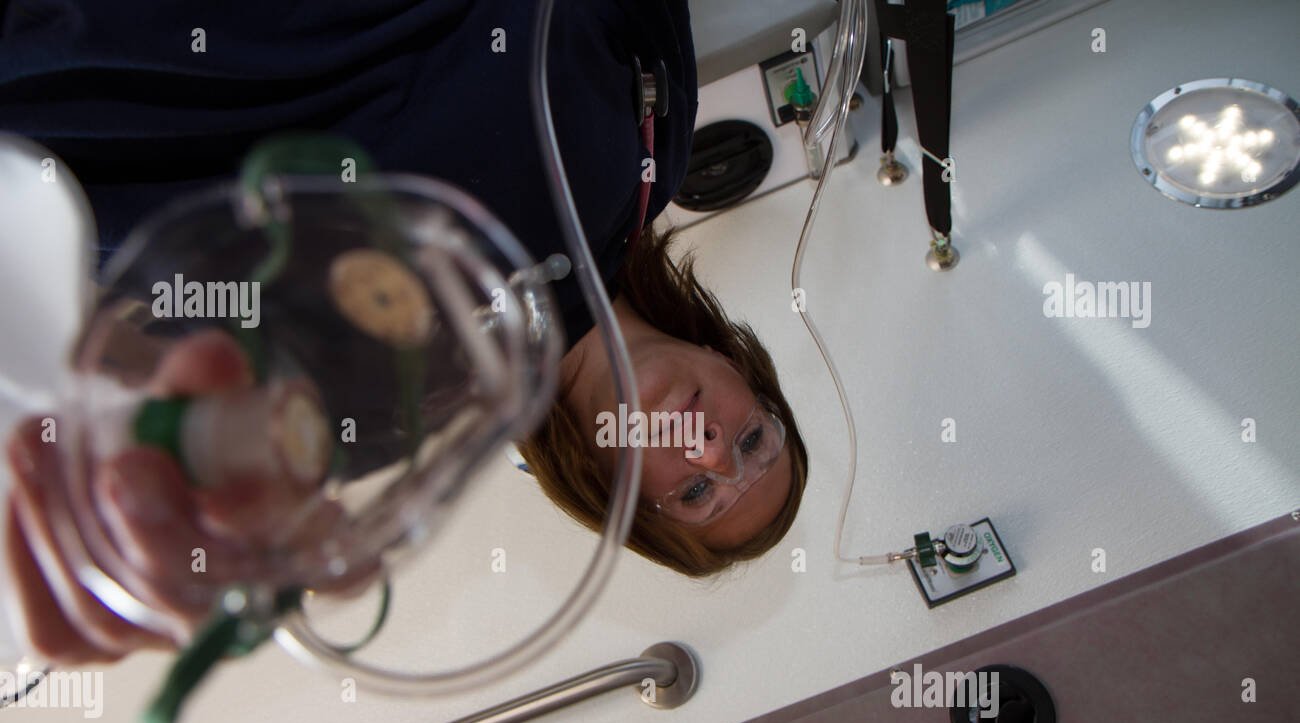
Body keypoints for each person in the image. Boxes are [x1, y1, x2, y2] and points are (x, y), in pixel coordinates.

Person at [0, 0, 808, 665]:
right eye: (754, 440)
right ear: (740, 366)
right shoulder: (654, 157)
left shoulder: (390, 412)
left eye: (695, 492)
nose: (708, 448)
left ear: (613, 491)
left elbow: (197, 379)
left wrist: (145, 463)